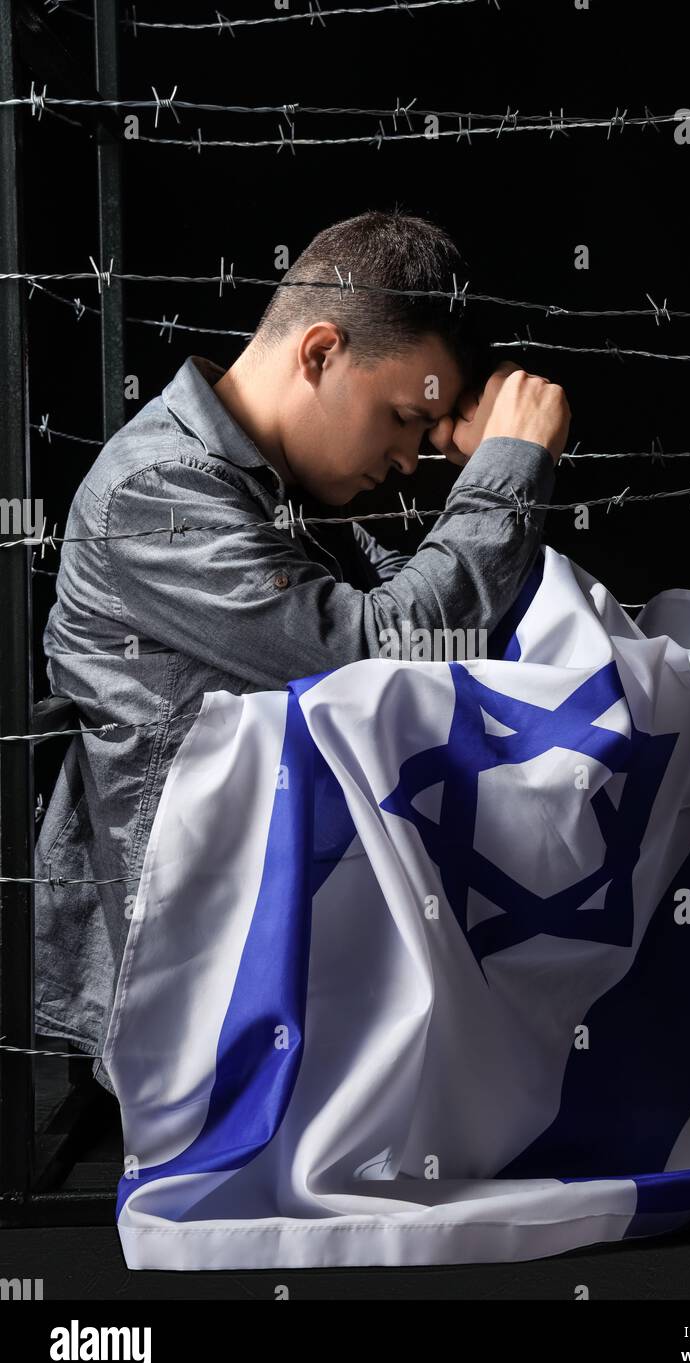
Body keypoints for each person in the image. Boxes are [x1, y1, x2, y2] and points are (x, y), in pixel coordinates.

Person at [33, 209, 571, 1096]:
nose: (409, 457)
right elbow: (384, 650)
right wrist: (508, 468)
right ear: (319, 353)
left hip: (324, 906)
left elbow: (420, 630)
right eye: (402, 416)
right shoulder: (157, 491)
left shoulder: (270, 479)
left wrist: (473, 468)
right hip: (210, 973)